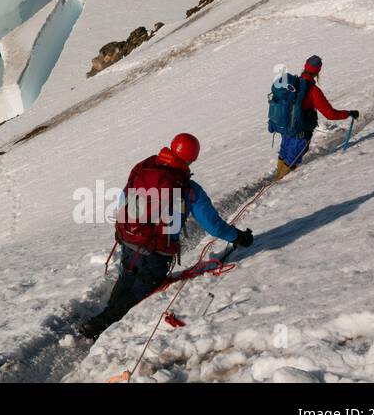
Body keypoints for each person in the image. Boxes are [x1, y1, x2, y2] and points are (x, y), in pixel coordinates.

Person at [80, 133, 251, 341]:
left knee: (127, 278)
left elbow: (122, 201)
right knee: (141, 295)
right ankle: (101, 326)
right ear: (192, 158)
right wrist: (239, 237)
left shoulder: (144, 169)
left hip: (129, 239)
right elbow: (214, 226)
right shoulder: (188, 188)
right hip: (156, 253)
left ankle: (106, 318)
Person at [274, 55, 358, 180]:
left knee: (284, 153)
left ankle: (277, 178)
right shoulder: (313, 91)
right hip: (302, 131)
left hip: (286, 127)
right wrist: (348, 113)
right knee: (292, 159)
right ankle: (279, 184)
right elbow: (330, 114)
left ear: (305, 66)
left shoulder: (291, 84)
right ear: (318, 71)